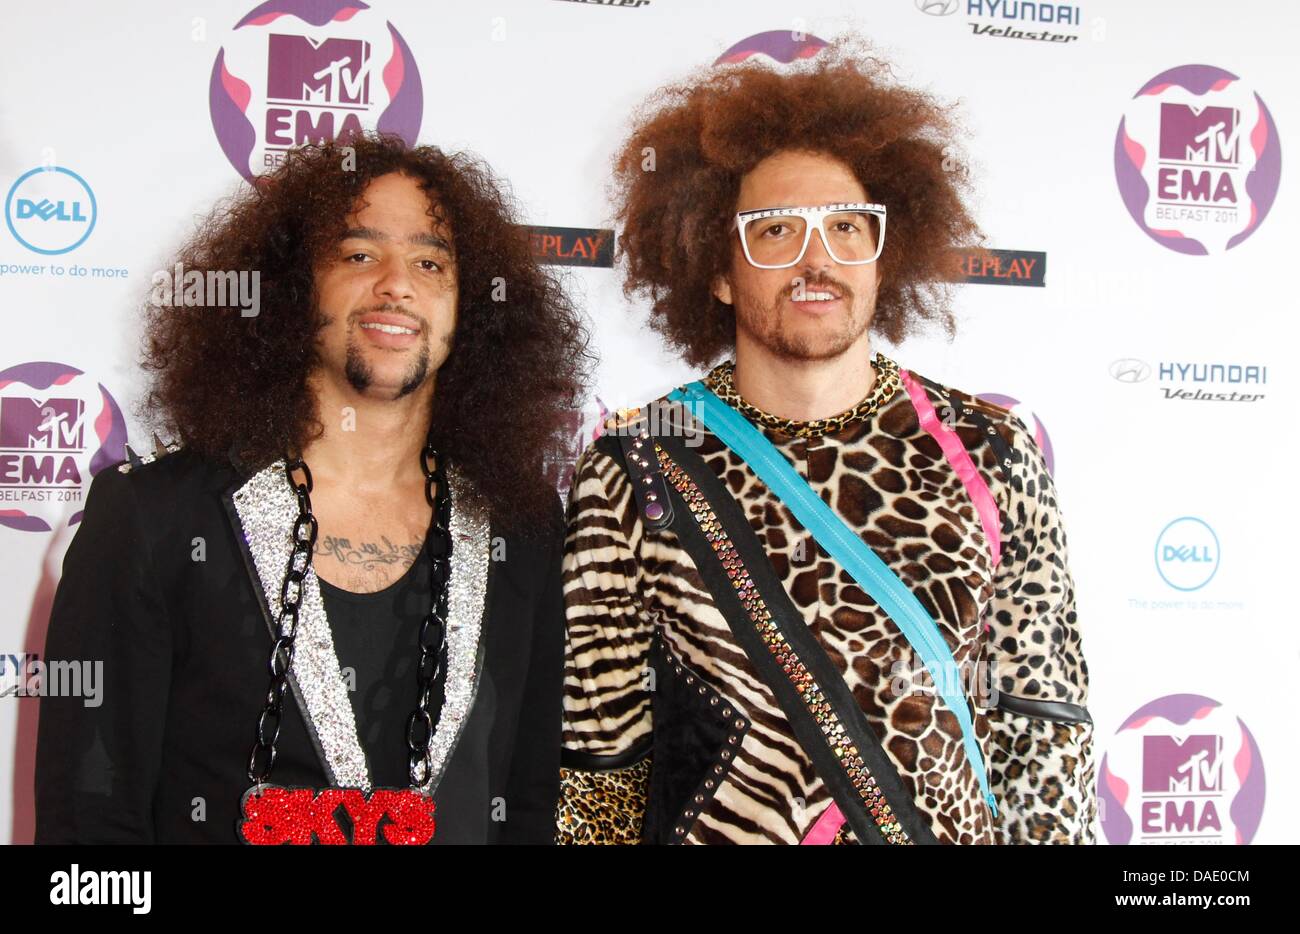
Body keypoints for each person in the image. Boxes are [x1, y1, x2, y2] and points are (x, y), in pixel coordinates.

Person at [557, 41, 1095, 845]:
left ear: (885, 258)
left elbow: (1044, 734)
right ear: (717, 270)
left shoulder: (992, 451)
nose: (817, 258)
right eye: (775, 231)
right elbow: (602, 764)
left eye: (848, 227)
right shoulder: (637, 464)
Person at [34, 132, 590, 844]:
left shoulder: (522, 526)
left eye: (430, 261)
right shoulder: (153, 516)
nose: (396, 283)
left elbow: (528, 803)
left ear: (469, 309)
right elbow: (87, 829)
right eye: (359, 255)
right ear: (295, 290)